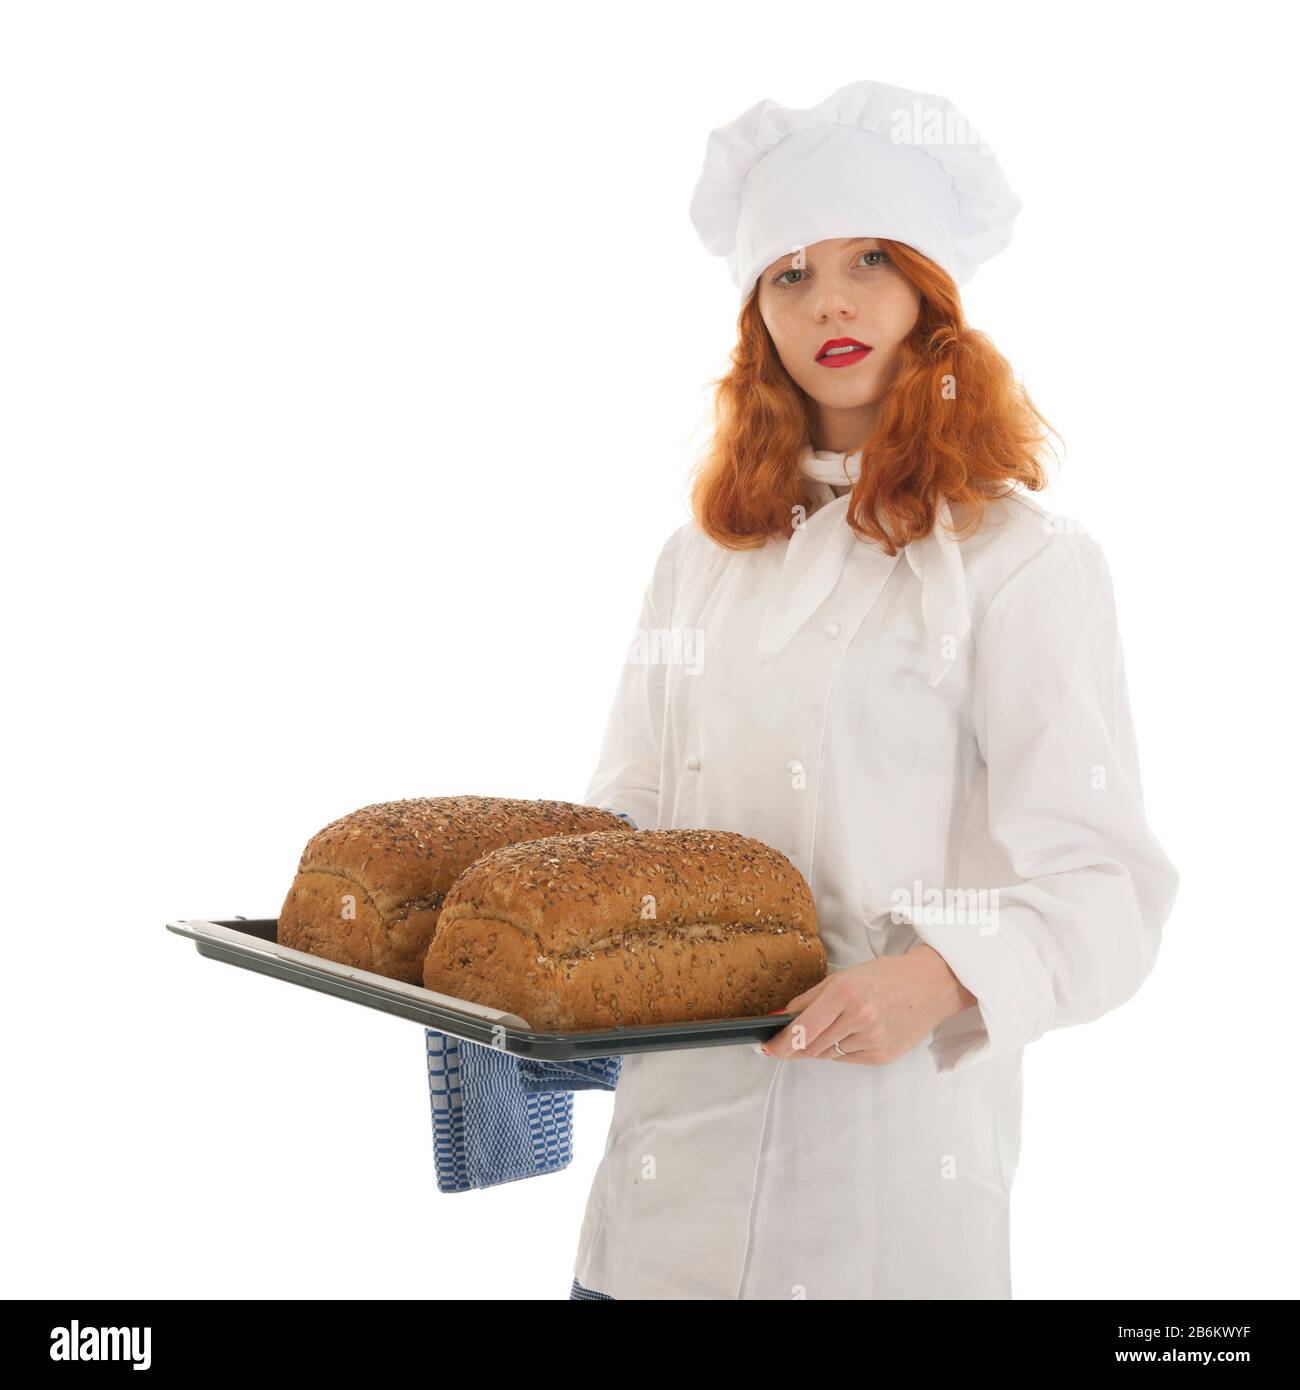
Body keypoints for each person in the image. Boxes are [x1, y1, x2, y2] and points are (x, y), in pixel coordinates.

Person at [568, 79, 1179, 1301]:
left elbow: (1107, 889)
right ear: (757, 320)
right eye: (787, 274)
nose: (829, 300)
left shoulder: (1024, 565)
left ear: (930, 301)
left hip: (881, 1196)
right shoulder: (700, 561)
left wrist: (940, 975)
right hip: (658, 1213)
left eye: (866, 260)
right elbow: (626, 810)